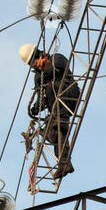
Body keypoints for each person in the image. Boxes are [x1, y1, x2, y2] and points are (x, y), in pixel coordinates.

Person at [19, 44, 80, 176]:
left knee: (59, 126)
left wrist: (43, 72)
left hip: (67, 95)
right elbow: (41, 97)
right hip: (55, 104)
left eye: (36, 62)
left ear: (40, 55)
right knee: (52, 132)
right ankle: (64, 164)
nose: (36, 66)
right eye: (32, 64)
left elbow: (56, 69)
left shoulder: (56, 59)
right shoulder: (38, 77)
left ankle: (64, 163)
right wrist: (36, 108)